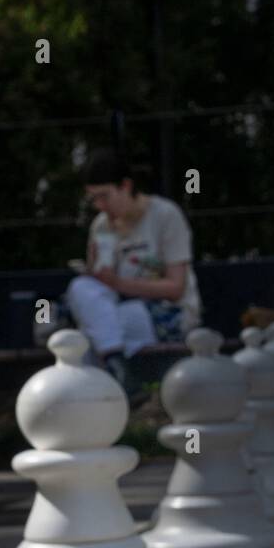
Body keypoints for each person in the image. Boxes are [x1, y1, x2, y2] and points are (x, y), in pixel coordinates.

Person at [65, 149, 202, 394]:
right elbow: (97, 294)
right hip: (118, 313)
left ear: (126, 186)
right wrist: (94, 273)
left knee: (85, 339)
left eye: (104, 196)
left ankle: (105, 393)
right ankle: (117, 365)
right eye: (93, 199)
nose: (99, 206)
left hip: (166, 315)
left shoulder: (165, 215)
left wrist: (115, 282)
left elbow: (175, 288)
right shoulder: (101, 226)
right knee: (80, 288)